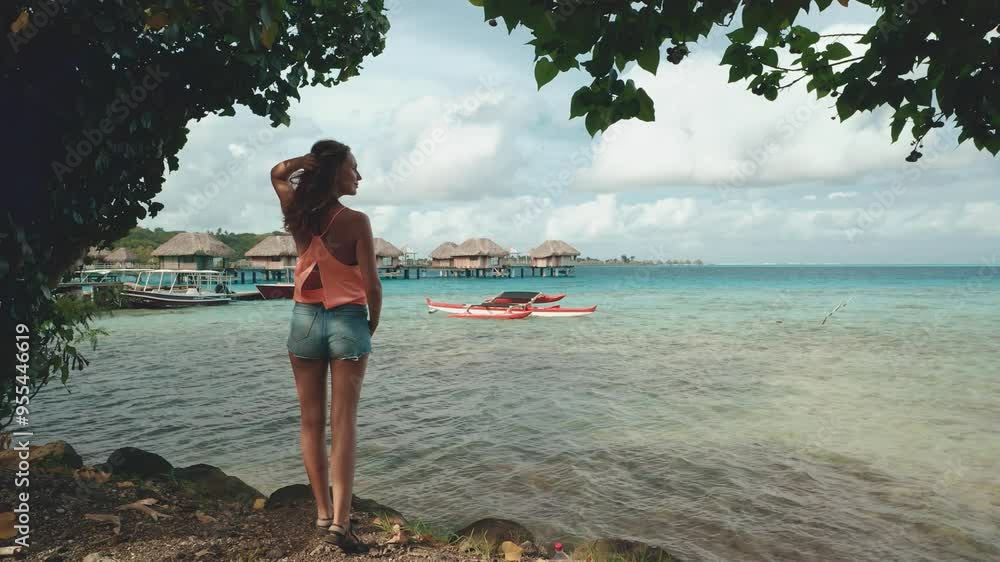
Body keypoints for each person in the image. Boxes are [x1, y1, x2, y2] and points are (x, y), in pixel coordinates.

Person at [270, 139, 382, 553]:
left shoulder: (299, 213)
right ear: (336, 171)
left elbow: (277, 173)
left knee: (311, 423)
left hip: (304, 320)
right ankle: (340, 522)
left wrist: (304, 162)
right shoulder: (357, 221)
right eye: (353, 167)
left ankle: (320, 511)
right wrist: (372, 323)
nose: (359, 175)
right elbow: (371, 285)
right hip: (348, 321)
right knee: (344, 425)